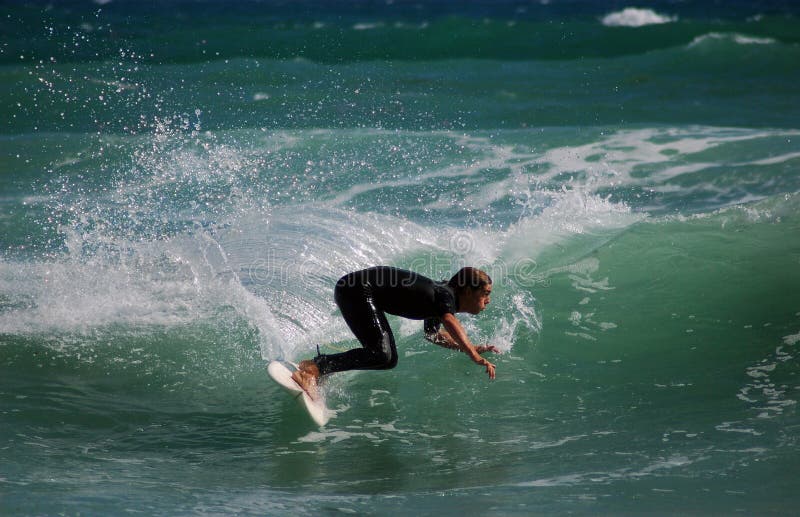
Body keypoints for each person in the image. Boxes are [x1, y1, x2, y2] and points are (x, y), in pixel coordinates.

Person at [292, 266, 499, 399]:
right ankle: (313, 369)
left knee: (387, 358)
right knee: (383, 355)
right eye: (485, 294)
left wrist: (469, 348)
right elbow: (449, 320)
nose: (488, 300)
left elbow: (433, 334)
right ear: (468, 291)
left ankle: (319, 367)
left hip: (356, 288)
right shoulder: (446, 296)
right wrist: (474, 355)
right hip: (357, 289)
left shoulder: (441, 297)